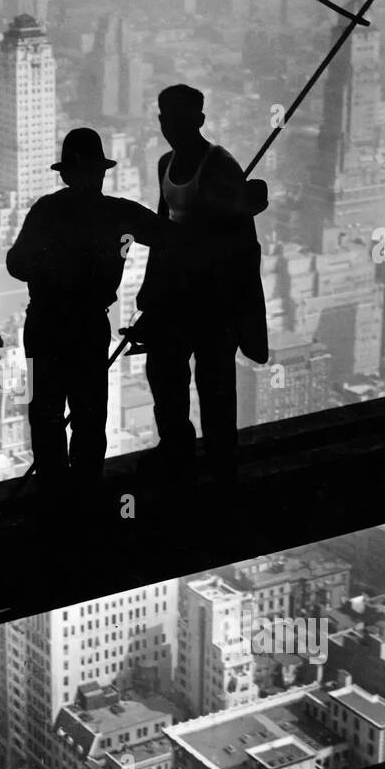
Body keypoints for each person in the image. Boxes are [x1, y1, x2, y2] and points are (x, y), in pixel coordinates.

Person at [7, 127, 179, 495]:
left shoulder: (46, 211)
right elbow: (172, 238)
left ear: (65, 174)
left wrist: (50, 261)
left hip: (46, 326)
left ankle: (54, 495)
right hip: (87, 326)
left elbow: (16, 265)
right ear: (101, 172)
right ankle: (84, 495)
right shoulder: (120, 214)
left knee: (46, 416)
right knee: (88, 417)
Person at [134, 84, 269, 483]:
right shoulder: (165, 164)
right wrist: (151, 299)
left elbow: (239, 233)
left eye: (178, 117)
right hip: (176, 294)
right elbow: (163, 232)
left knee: (214, 383)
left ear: (199, 121)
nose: (169, 125)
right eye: (165, 117)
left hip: (213, 298)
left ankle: (221, 458)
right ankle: (176, 448)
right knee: (166, 375)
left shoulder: (219, 164)